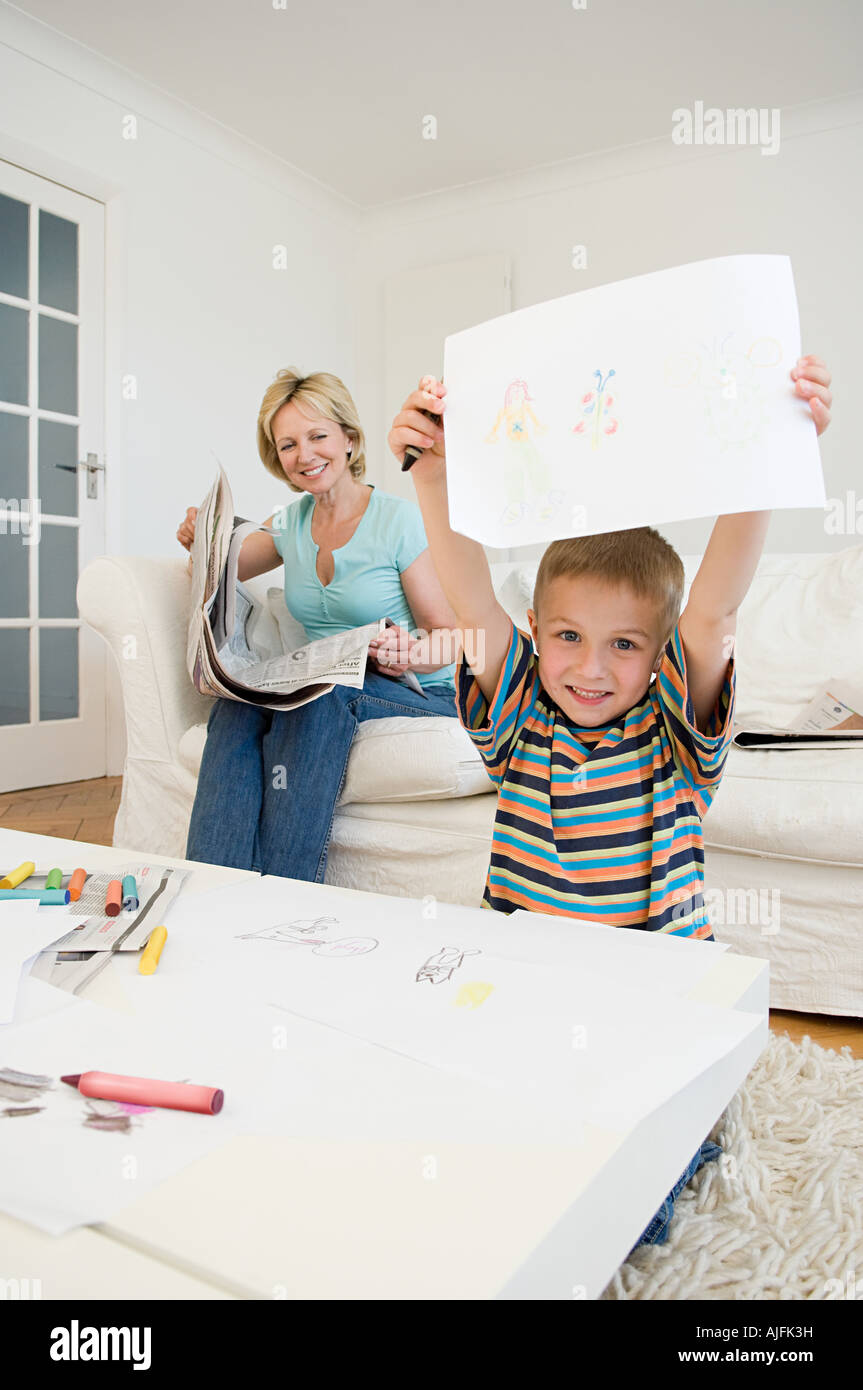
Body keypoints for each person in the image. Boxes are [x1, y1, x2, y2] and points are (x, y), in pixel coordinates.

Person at [388, 356, 832, 1249]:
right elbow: (471, 595)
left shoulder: (674, 733)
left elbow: (709, 614)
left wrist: (765, 464)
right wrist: (432, 477)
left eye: (624, 645)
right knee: (467, 1118)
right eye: (567, 637)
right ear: (537, 633)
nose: (589, 669)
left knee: (629, 1193)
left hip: (653, 1002)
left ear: (658, 653)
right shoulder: (520, 711)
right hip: (528, 988)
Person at [178, 368, 461, 882]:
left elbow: (451, 637)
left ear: (349, 440)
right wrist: (200, 539)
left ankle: (288, 896)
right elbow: (217, 569)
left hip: (421, 689)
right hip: (330, 680)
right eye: (288, 445)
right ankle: (211, 888)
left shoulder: (398, 520)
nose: (304, 455)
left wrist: (409, 651)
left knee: (321, 693)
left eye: (317, 436)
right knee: (238, 703)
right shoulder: (289, 522)